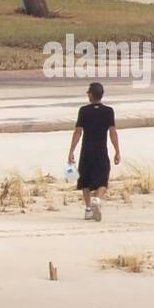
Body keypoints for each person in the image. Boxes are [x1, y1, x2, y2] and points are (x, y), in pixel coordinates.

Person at [67, 82, 120, 222]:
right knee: (102, 178)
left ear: (91, 94)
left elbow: (78, 132)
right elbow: (112, 132)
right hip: (101, 150)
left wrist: (71, 151)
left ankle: (88, 209)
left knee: (85, 181)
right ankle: (97, 199)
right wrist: (117, 151)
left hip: (86, 151)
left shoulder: (84, 111)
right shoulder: (108, 111)